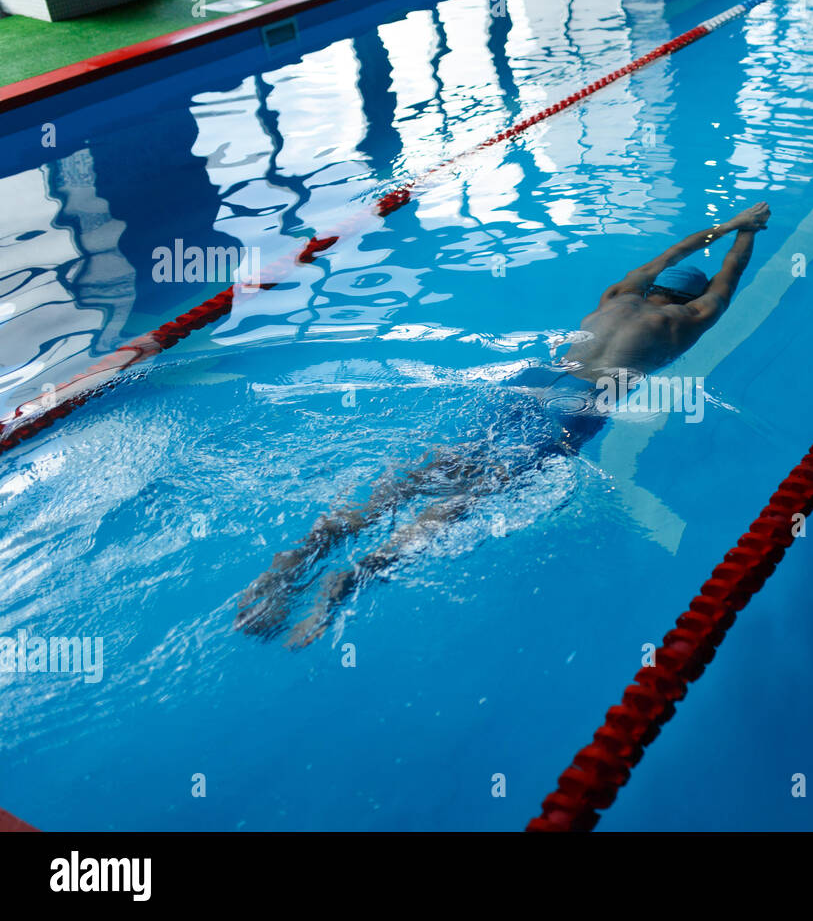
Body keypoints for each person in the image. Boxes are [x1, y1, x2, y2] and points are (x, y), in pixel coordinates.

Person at [237, 202, 771, 647]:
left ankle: (302, 552)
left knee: (431, 469)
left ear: (655, 285)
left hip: (535, 379)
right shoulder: (686, 322)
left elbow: (672, 254)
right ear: (684, 299)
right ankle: (352, 577)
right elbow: (729, 280)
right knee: (476, 492)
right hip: (582, 402)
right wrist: (748, 236)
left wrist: (729, 223)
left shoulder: (616, 295)